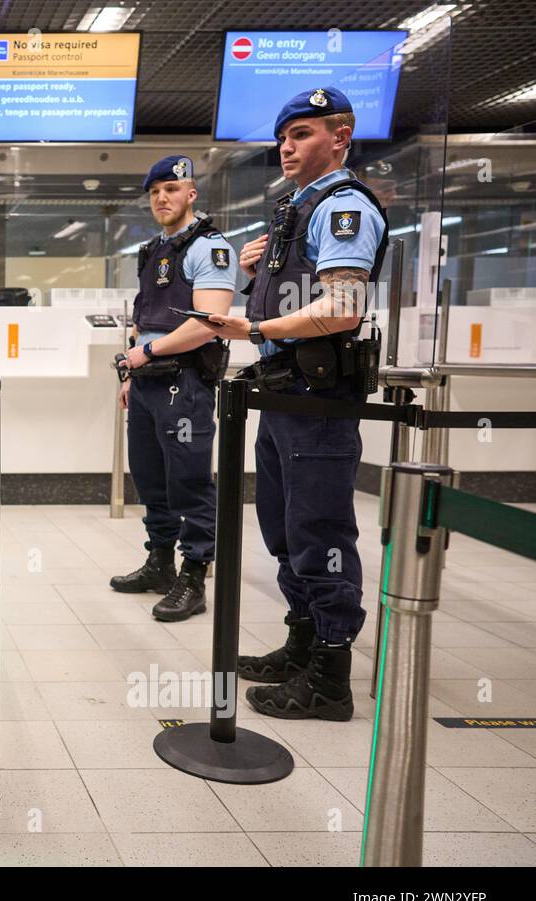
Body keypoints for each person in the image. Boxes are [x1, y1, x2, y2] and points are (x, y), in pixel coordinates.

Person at [196, 88, 388, 721]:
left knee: (320, 530)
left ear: (341, 137)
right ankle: (301, 646)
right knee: (284, 529)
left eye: (304, 133)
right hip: (284, 393)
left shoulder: (344, 208)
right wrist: (256, 277)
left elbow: (341, 308)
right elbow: (297, 295)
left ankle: (330, 679)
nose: (288, 145)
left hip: (318, 397)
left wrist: (255, 331)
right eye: (284, 136)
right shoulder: (292, 212)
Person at [110, 156, 237, 622]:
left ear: (191, 193)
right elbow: (143, 321)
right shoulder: (151, 250)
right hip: (145, 383)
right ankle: (161, 562)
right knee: (149, 477)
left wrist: (149, 353)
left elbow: (208, 325)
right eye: (154, 191)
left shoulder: (210, 248)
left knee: (188, 479)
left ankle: (194, 574)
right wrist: (131, 371)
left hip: (185, 381)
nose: (162, 198)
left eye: (171, 188)